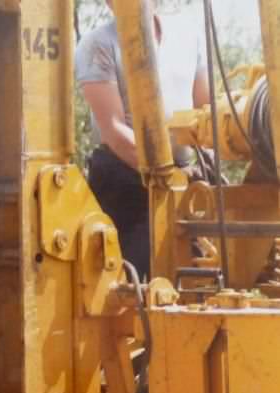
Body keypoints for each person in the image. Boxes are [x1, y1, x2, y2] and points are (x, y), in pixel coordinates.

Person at [75, 0, 211, 278]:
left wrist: (209, 163)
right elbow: (114, 130)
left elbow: (207, 111)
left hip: (184, 180)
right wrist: (168, 174)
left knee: (200, 276)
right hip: (125, 182)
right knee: (133, 283)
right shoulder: (97, 44)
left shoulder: (189, 35)